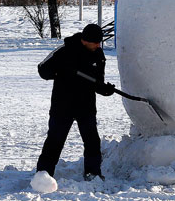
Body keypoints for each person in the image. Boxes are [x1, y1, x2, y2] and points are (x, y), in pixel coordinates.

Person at [35, 23, 116, 181]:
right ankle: (43, 175)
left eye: (100, 42)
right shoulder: (65, 50)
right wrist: (62, 71)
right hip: (62, 105)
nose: (99, 45)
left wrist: (105, 90)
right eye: (95, 42)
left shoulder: (98, 55)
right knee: (55, 141)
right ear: (85, 40)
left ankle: (93, 174)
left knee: (92, 141)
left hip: (86, 105)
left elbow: (97, 82)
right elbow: (42, 69)